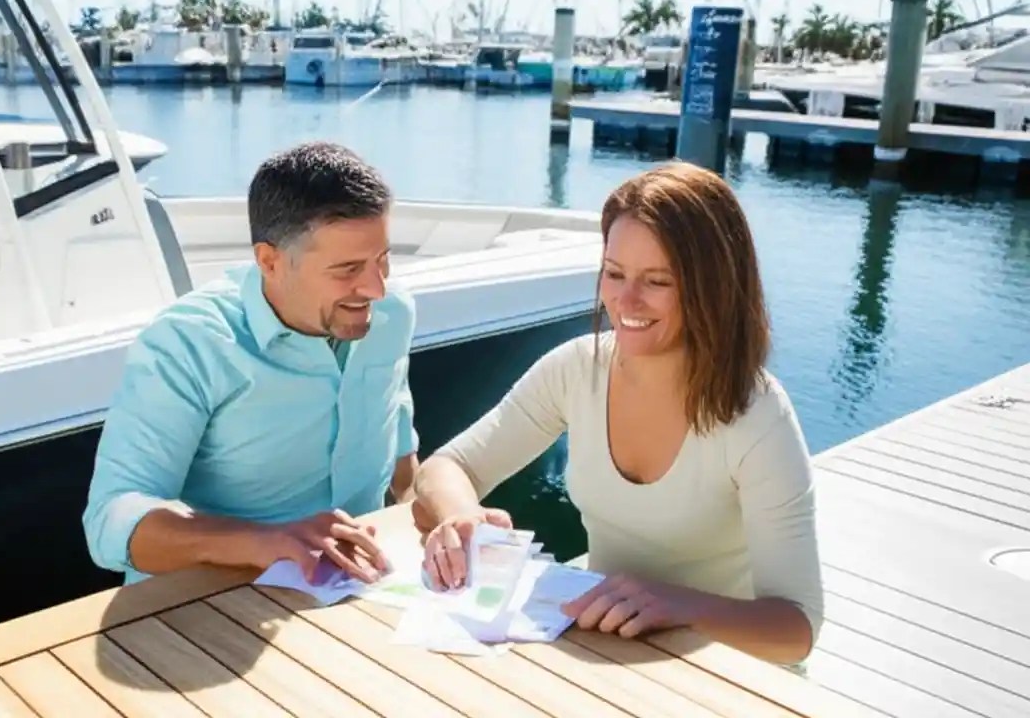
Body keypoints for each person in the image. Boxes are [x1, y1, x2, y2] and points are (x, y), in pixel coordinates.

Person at [410, 161, 823, 666]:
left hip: (728, 672)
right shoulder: (577, 370)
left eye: (657, 281)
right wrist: (461, 517)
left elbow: (797, 627)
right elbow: (447, 468)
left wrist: (680, 604)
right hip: (604, 648)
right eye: (614, 273)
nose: (625, 300)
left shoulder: (758, 415)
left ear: (712, 288)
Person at [83, 141, 418, 587]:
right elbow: (110, 521)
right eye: (348, 269)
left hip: (358, 592)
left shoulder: (392, 315)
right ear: (269, 261)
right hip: (202, 610)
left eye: (382, 260)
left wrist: (442, 519)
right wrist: (261, 541)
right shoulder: (189, 343)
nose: (376, 288)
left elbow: (399, 454)